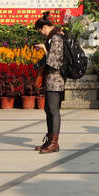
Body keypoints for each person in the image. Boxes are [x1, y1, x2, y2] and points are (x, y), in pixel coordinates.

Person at [33, 13, 65, 154]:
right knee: (48, 109)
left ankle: (54, 143)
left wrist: (44, 49)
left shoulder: (57, 38)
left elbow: (54, 63)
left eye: (41, 29)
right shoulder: (53, 37)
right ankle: (49, 140)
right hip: (51, 80)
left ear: (46, 26)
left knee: (53, 110)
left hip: (56, 80)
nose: (42, 32)